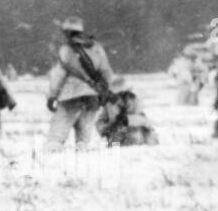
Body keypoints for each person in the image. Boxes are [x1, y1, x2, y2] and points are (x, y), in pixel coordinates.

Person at [45, 16, 114, 152]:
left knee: (59, 129)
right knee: (84, 130)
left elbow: (58, 75)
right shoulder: (96, 47)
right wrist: (105, 91)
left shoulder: (66, 49)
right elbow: (106, 72)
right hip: (93, 95)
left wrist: (52, 96)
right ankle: (81, 157)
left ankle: (52, 158)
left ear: (67, 32)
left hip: (70, 94)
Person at [97, 78, 159, 147]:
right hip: (117, 133)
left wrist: (126, 120)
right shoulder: (109, 104)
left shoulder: (134, 101)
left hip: (133, 133)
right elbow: (101, 122)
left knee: (133, 137)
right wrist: (106, 129)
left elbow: (144, 121)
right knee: (114, 142)